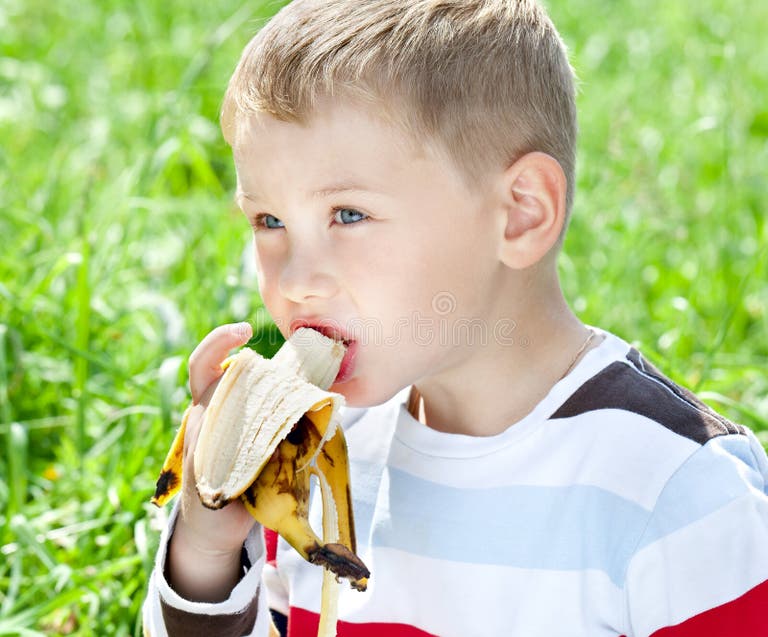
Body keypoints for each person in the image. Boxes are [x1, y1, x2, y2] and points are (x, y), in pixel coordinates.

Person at [142, 1, 768, 635]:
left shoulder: (675, 491)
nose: (297, 281)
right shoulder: (313, 457)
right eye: (269, 221)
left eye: (348, 215)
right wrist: (209, 551)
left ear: (519, 213)